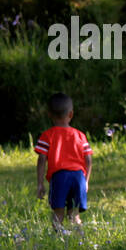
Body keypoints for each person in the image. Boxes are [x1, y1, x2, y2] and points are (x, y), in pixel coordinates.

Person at [34, 93, 92, 234]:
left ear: (49, 115)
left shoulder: (47, 135)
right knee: (74, 215)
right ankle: (80, 238)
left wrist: (40, 183)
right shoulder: (80, 135)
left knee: (58, 213)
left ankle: (59, 239)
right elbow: (88, 159)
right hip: (78, 177)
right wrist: (86, 181)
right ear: (71, 114)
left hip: (60, 177)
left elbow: (41, 159)